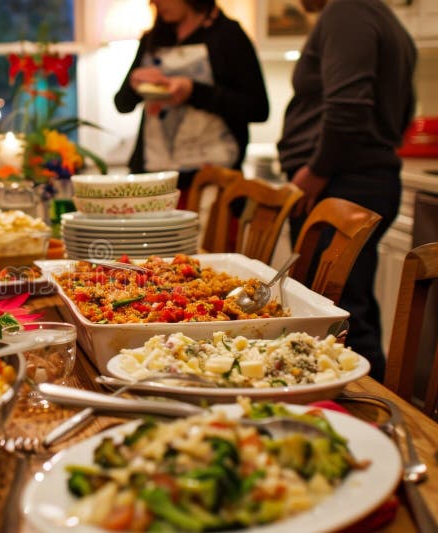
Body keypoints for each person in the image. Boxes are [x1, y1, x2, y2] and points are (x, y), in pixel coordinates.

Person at [278, 0, 417, 382]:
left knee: (338, 317)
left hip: (340, 184)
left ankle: (363, 415)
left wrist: (314, 173)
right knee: (351, 309)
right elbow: (402, 112)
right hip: (359, 180)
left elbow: (348, 108)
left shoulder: (348, 11)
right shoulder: (377, 15)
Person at [114, 0, 269, 208]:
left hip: (214, 180)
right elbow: (122, 104)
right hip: (153, 180)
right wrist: (135, 83)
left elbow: (258, 108)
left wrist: (193, 91)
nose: (155, 3)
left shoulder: (227, 35)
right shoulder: (154, 38)